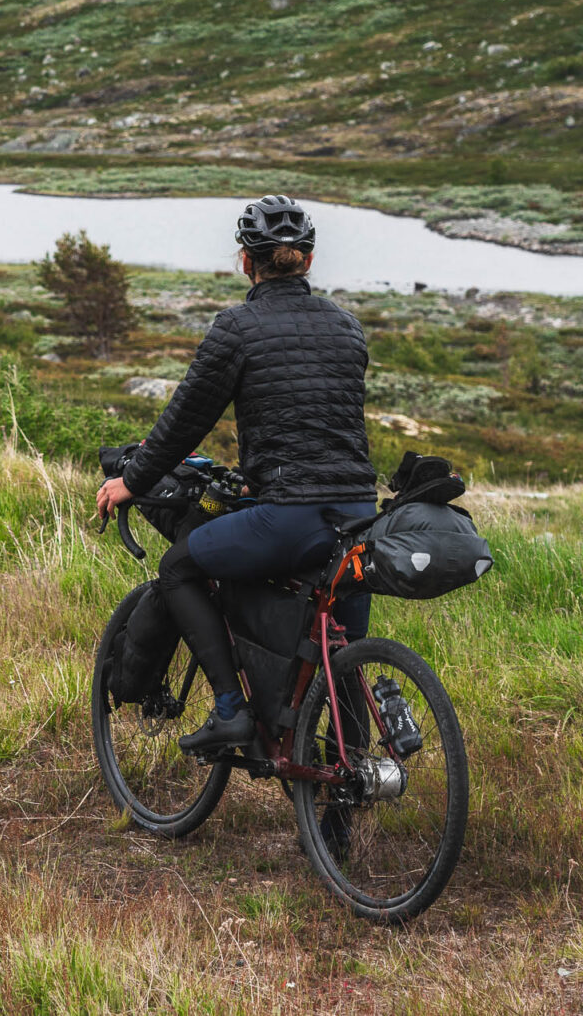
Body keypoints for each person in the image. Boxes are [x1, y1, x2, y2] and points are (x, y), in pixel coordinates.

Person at [94, 195, 376, 753]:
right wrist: (259, 475)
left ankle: (230, 710)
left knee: (178, 568)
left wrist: (133, 480)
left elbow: (185, 420)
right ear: (309, 260)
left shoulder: (238, 328)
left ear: (246, 262)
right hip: (359, 516)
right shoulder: (348, 327)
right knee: (340, 652)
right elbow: (321, 423)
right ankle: (351, 783)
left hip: (290, 518)